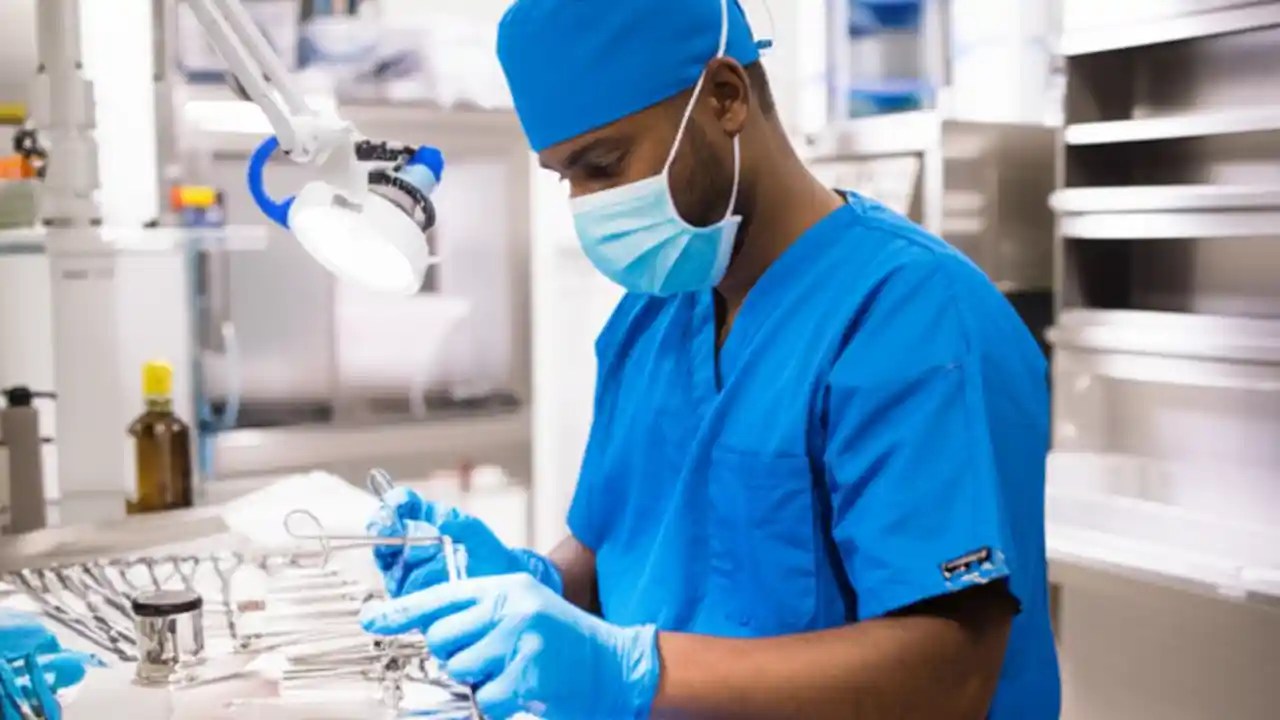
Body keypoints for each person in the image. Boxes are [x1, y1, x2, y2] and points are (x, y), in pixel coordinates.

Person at [361, 0, 1061, 717]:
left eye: (603, 165)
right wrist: (527, 586)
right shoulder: (653, 315)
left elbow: (947, 677)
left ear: (725, 98)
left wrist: (633, 673)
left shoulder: (914, 318)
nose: (586, 204)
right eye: (564, 175)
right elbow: (619, 551)